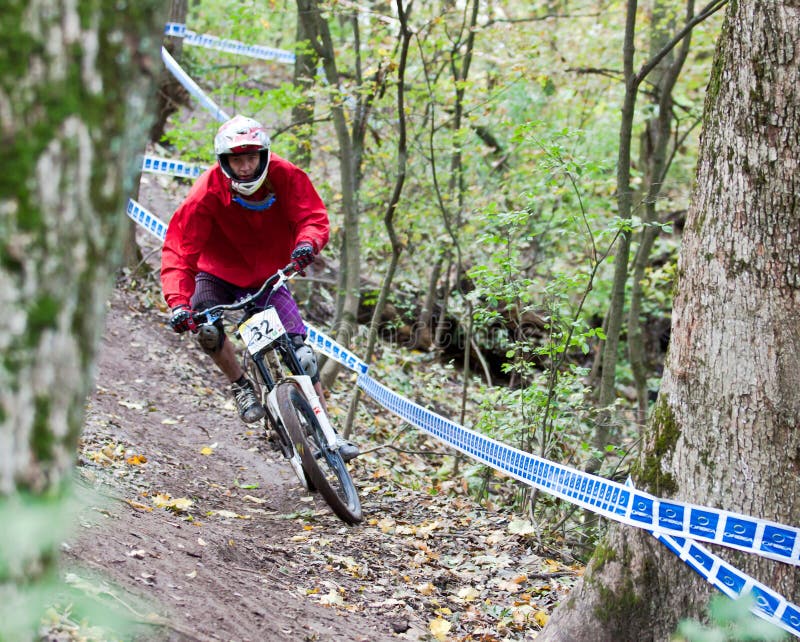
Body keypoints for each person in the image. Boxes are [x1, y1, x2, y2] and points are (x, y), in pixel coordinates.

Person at [160, 114, 358, 461]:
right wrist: (178, 303)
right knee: (207, 332)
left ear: (264, 155)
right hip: (216, 273)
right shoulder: (206, 191)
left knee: (303, 356)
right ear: (224, 162)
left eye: (252, 157)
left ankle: (329, 432)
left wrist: (307, 245)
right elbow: (180, 247)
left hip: (269, 275)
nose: (247, 167)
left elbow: (311, 216)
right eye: (238, 159)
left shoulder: (285, 175)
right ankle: (241, 386)